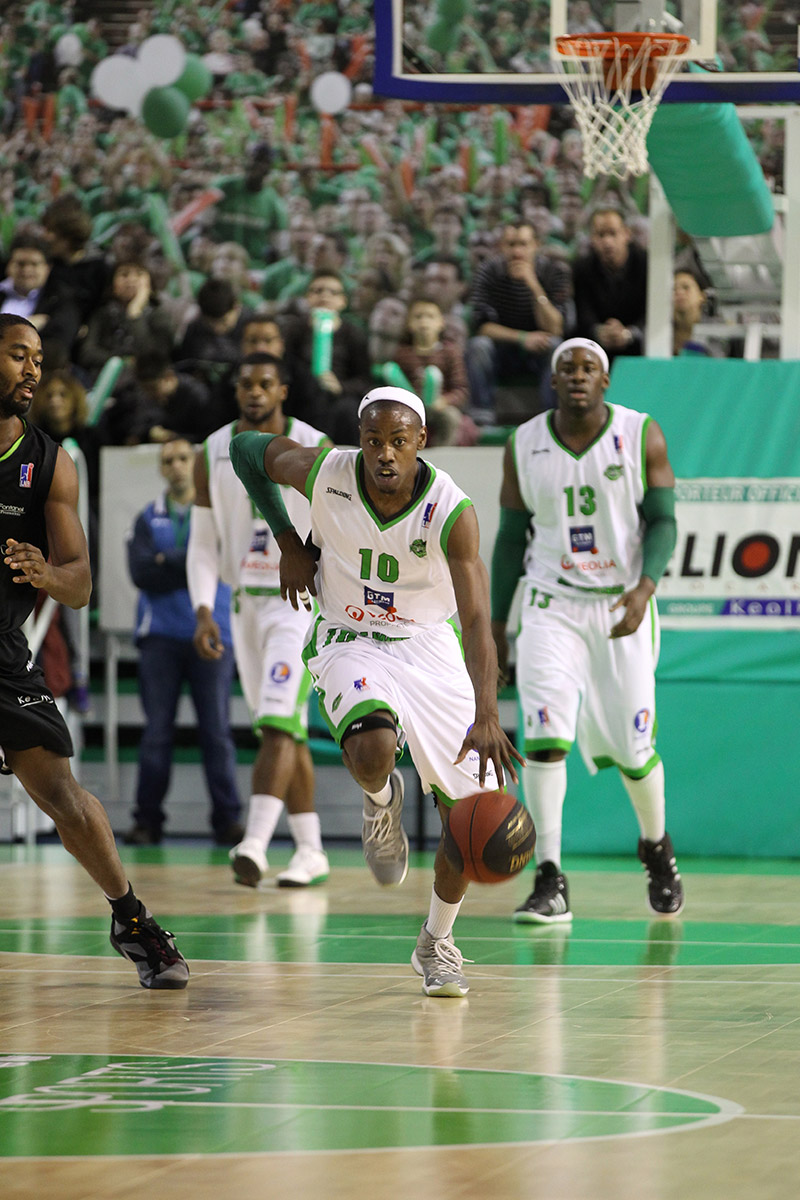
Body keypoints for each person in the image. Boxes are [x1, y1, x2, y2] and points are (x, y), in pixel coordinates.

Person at [228, 384, 525, 996]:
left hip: (428, 643)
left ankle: (436, 941)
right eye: (372, 440)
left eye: (397, 441)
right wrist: (287, 539)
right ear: (358, 441)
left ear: (421, 442)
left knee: (466, 816)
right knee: (373, 748)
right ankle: (380, 800)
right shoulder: (325, 472)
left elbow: (475, 621)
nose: (384, 453)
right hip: (348, 634)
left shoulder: (451, 510)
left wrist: (488, 712)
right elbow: (245, 448)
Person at [0, 313, 188, 990]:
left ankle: (132, 920)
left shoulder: (51, 462)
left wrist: (47, 574)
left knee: (63, 796)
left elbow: (80, 582)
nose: (32, 370)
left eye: (38, 358)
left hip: (3, 651)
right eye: (17, 355)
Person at [490, 338, 684, 925]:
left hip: (620, 605)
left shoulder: (640, 433)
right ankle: (549, 876)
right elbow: (508, 539)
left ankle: (656, 847)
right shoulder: (523, 443)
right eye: (567, 368)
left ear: (605, 382)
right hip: (551, 606)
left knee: (633, 751)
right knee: (546, 738)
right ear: (553, 381)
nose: (577, 375)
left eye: (589, 368)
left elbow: (665, 522)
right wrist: (498, 623)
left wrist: (645, 587)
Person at [187, 353, 331, 889]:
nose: (254, 392)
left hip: (298, 603)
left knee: (276, 720)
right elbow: (204, 543)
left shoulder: (312, 443)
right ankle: (312, 850)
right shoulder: (212, 449)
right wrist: (205, 606)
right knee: (284, 730)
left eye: (265, 383)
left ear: (283, 390)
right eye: (245, 383)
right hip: (245, 600)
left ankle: (254, 842)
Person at [125, 437, 243, 847]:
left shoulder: (219, 514)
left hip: (213, 636)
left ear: (194, 464)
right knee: (156, 732)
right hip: (159, 637)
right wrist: (193, 561)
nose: (175, 466)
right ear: (161, 469)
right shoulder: (147, 517)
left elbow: (225, 561)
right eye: (167, 461)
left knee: (217, 732)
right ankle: (147, 822)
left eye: (182, 458)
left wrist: (167, 560)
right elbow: (141, 572)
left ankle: (229, 822)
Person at [466, 221, 571, 422]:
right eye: (511, 244)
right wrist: (523, 338)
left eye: (523, 244)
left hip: (539, 351)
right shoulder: (488, 271)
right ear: (501, 246)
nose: (517, 252)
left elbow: (556, 327)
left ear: (536, 245)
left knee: (556, 346)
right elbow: (482, 327)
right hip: (502, 350)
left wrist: (533, 285)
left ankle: (550, 418)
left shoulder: (553, 272)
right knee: (479, 346)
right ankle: (482, 418)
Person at [572, 207, 648, 361]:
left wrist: (629, 333)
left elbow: (652, 312)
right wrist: (599, 331)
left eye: (613, 233)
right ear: (592, 238)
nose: (607, 242)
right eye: (600, 235)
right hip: (597, 345)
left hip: (640, 344)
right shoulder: (582, 268)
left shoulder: (647, 265)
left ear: (627, 234)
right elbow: (583, 311)